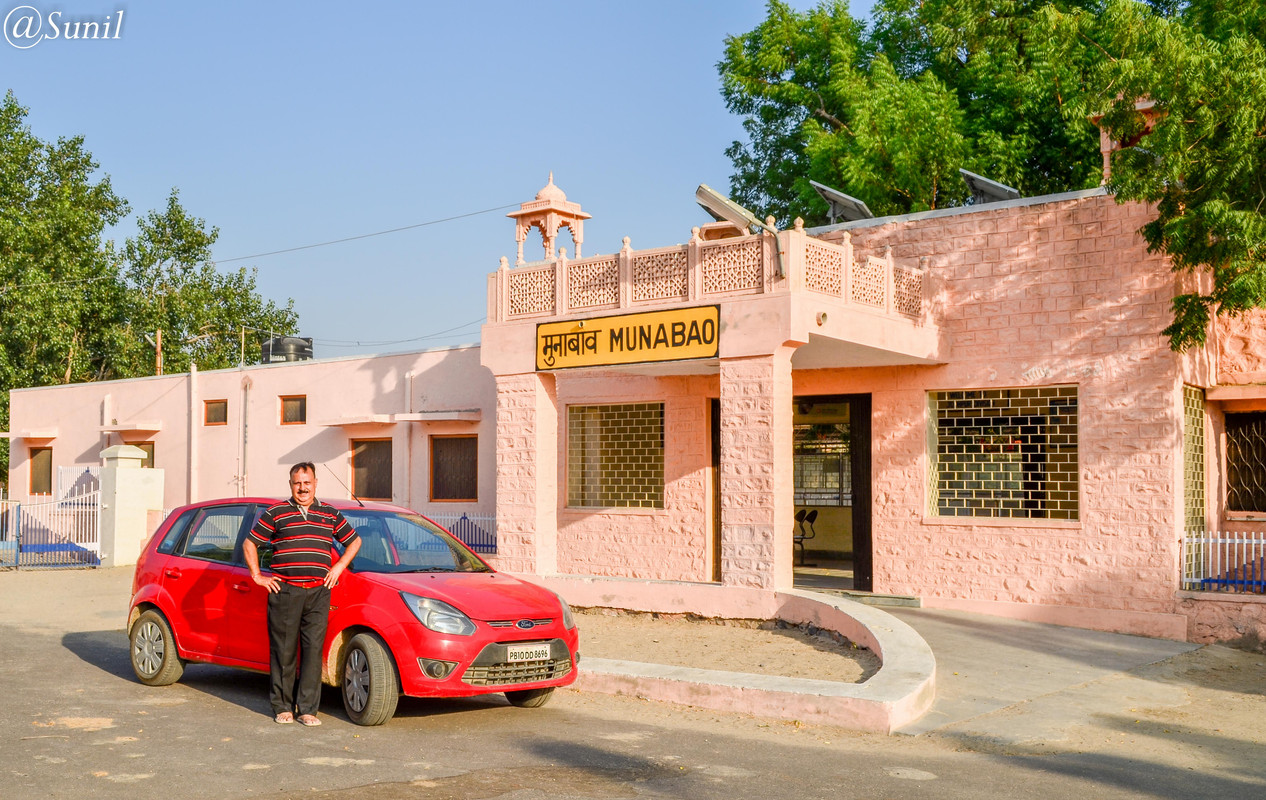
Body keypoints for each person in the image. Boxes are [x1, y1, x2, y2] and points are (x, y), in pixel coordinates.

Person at [243, 461, 361, 726]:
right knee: (283, 652)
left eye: (307, 482)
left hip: (319, 592)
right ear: (290, 485)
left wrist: (339, 567)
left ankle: (308, 709)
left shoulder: (329, 513)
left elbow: (354, 541)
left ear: (315, 483)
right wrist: (257, 577)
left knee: (312, 651)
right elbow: (250, 542)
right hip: (285, 591)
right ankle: (282, 706)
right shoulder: (277, 512)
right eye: (297, 483)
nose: (302, 488)